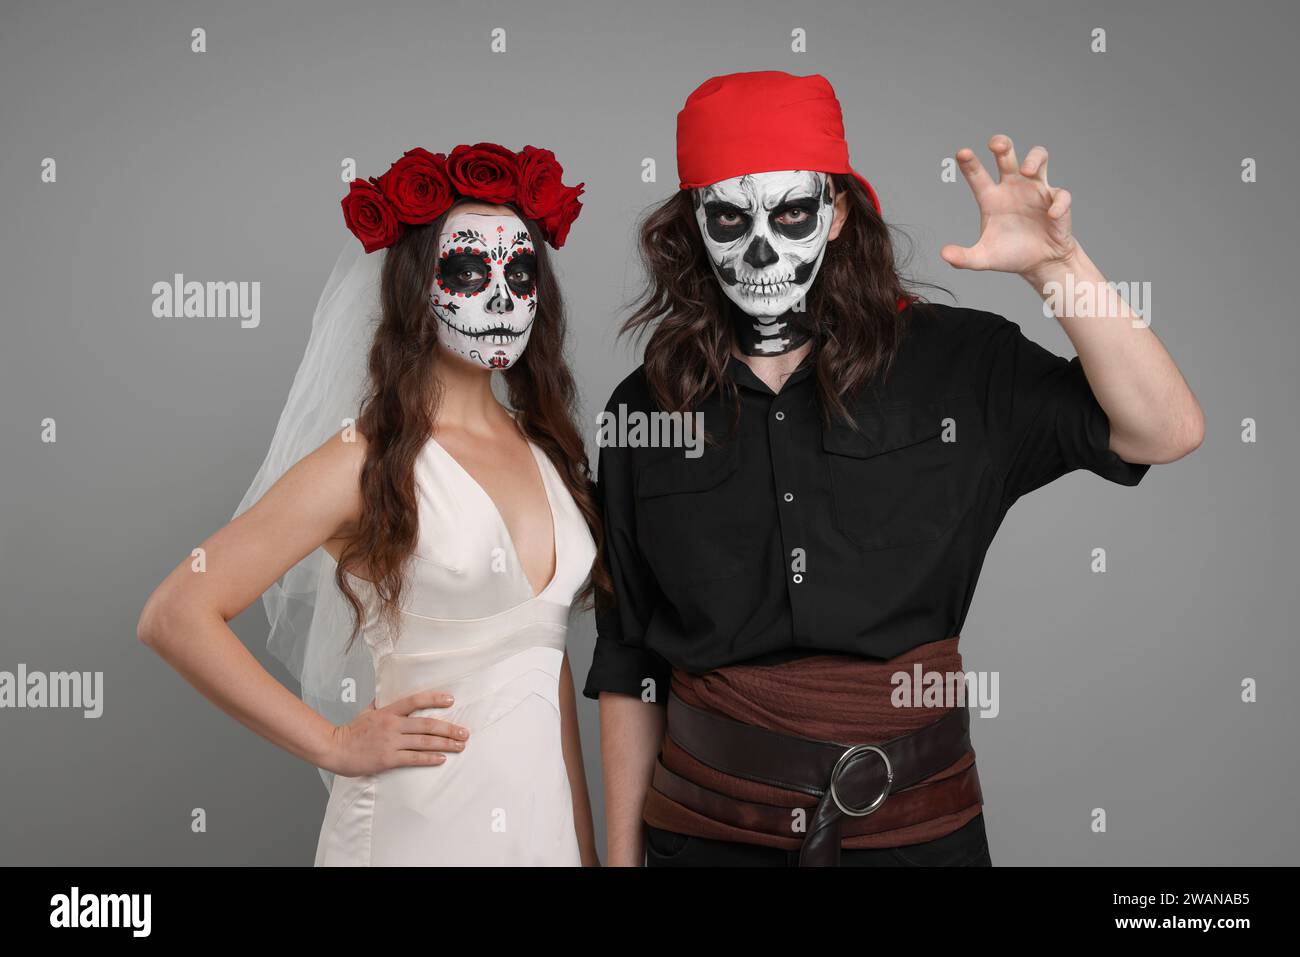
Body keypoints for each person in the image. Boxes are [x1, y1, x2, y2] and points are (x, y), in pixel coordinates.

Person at [584, 71, 1203, 866]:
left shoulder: (961, 364)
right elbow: (629, 656)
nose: (761, 247)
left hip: (919, 831)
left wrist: (1058, 268)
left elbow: (1167, 428)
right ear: (694, 228)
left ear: (837, 212)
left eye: (794, 212)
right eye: (731, 218)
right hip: (705, 832)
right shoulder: (645, 408)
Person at [138, 142, 601, 865]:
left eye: (521, 270)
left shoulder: (545, 447)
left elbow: (546, 669)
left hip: (541, 837)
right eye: (470, 271)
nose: (502, 297)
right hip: (412, 831)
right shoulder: (366, 456)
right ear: (419, 287)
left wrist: (585, 847)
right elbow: (174, 614)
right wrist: (333, 743)